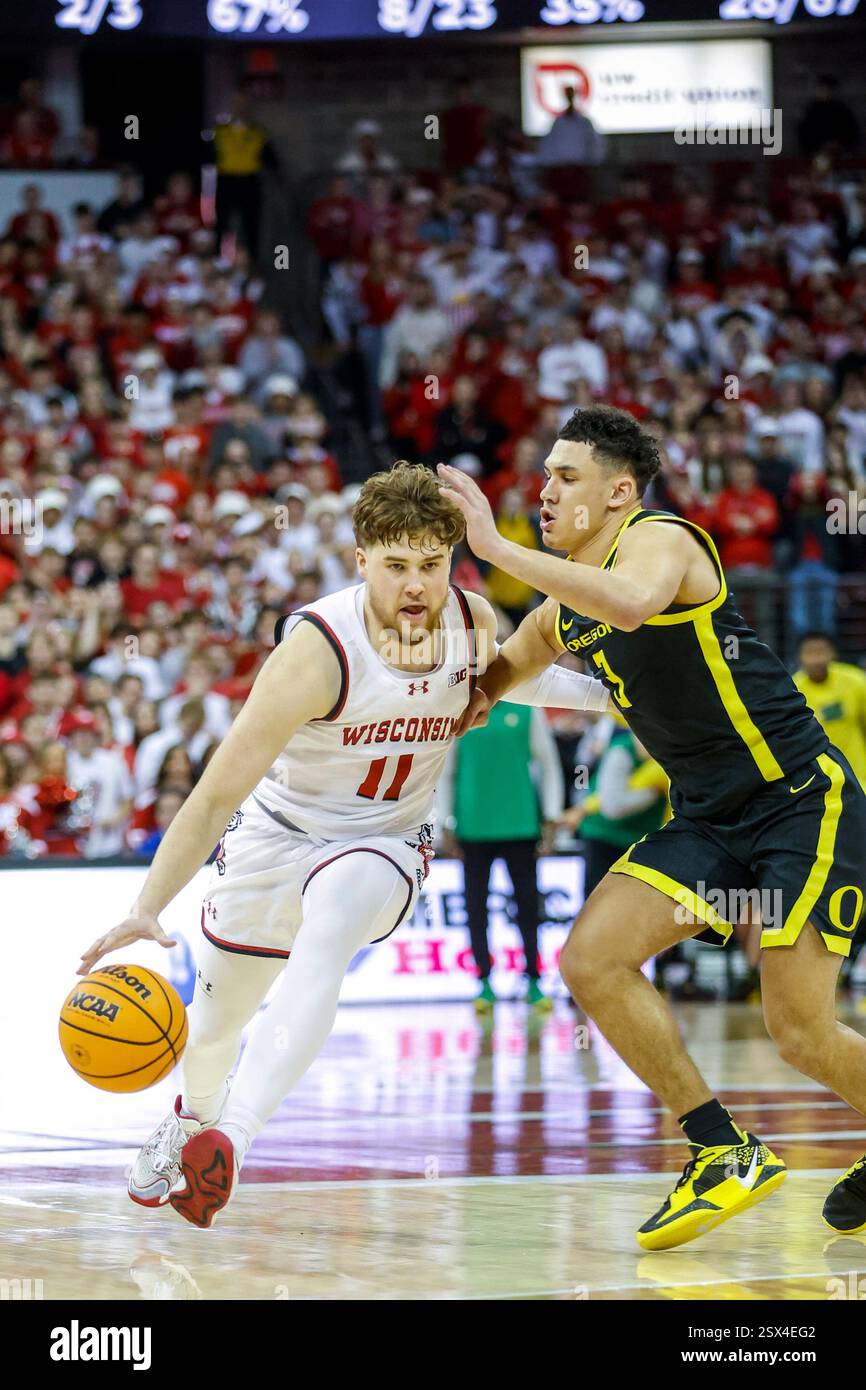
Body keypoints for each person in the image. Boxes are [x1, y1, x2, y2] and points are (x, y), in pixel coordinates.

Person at [78, 462, 608, 1228]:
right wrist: (144, 908)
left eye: (432, 564)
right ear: (361, 562)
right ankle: (193, 1124)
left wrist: (615, 702)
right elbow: (217, 791)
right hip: (274, 838)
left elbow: (517, 679)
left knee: (331, 929)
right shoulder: (317, 650)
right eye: (396, 566)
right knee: (215, 1027)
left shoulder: (472, 620)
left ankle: (234, 1136)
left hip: (383, 841)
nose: (417, 585)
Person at [437, 405, 866, 1251]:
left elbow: (632, 605)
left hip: (797, 802)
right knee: (589, 958)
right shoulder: (560, 614)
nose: (545, 492)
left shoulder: (664, 540)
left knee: (798, 1030)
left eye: (566, 477)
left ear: (619, 492)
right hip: (707, 819)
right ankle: (720, 1148)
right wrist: (410, 668)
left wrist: (492, 549)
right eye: (546, 475)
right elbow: (484, 690)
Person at [437, 699, 564, 1011]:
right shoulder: (459, 708)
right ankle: (483, 982)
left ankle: (534, 980)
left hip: (520, 824)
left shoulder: (526, 709)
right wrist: (444, 822)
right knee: (475, 907)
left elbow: (548, 764)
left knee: (528, 906)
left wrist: (551, 815)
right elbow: (445, 772)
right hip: (472, 826)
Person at [794, 633, 866, 789]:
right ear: (800, 657)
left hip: (860, 775)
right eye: (810, 653)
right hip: (820, 782)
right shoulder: (792, 690)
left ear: (833, 653)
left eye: (821, 652)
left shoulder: (855, 680)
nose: (816, 659)